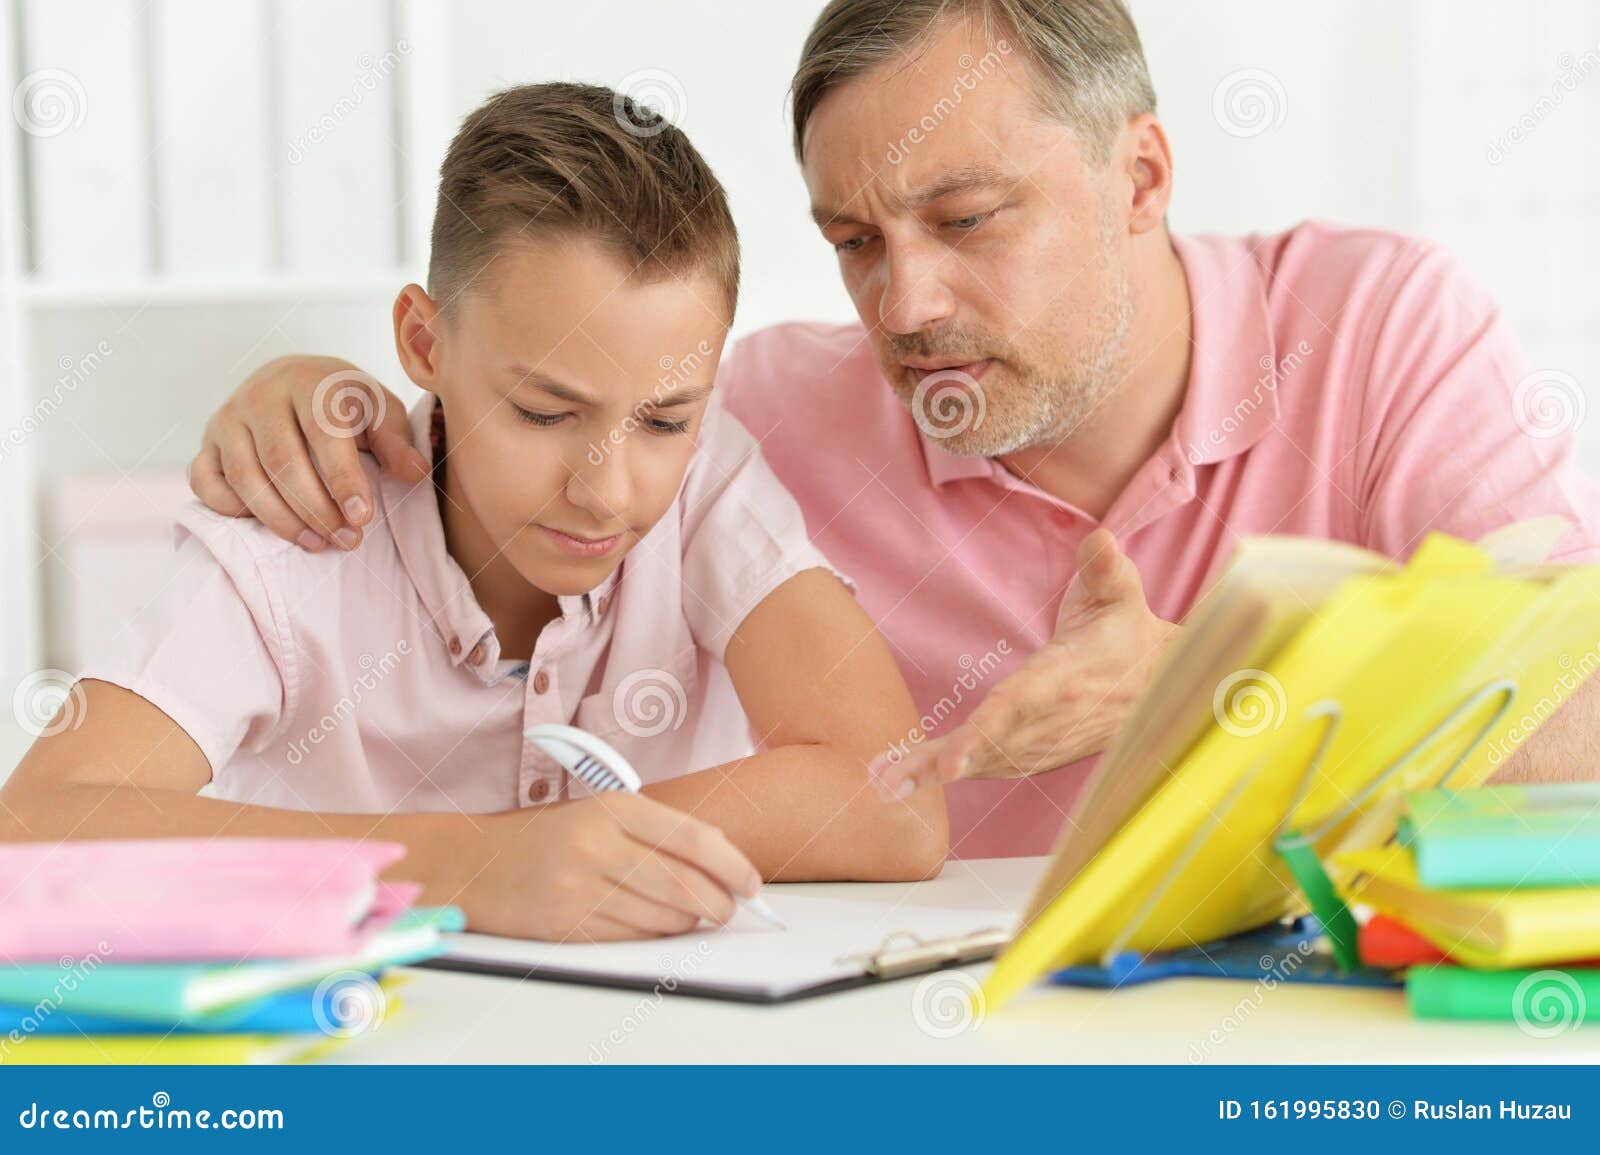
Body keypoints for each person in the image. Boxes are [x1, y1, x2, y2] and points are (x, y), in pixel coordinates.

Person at [182, 0, 1600, 859]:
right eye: (854, 238)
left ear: (1143, 174)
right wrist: (332, 396)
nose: (903, 302)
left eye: (967, 219)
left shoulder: (1374, 326)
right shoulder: (778, 413)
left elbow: (1583, 729)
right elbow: (552, 404)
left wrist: (1227, 687)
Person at [0, 83, 947, 942]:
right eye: (544, 411)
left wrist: (545, 849)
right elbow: (33, 838)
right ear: (424, 341)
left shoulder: (709, 485)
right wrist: (470, 868)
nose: (608, 491)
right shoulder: (297, 528)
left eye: (665, 417)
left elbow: (898, 803)